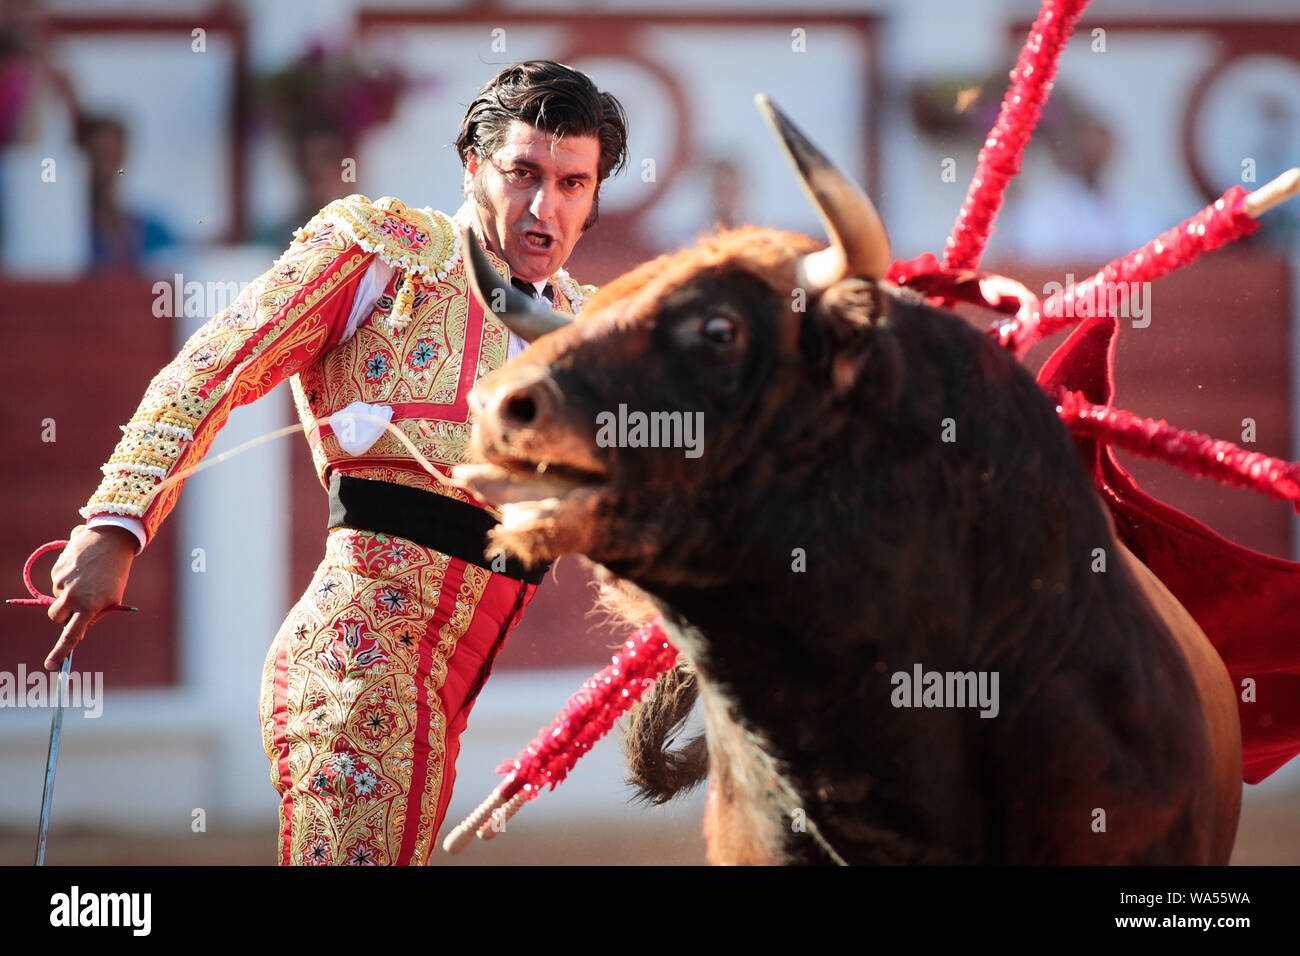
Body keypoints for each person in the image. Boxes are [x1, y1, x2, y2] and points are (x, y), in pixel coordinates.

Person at [44, 60, 629, 865]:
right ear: (473, 167)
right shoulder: (387, 255)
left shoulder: (592, 338)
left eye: (572, 183)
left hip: (440, 698)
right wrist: (117, 522)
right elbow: (213, 364)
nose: (544, 206)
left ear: (595, 197)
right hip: (356, 672)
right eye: (522, 173)